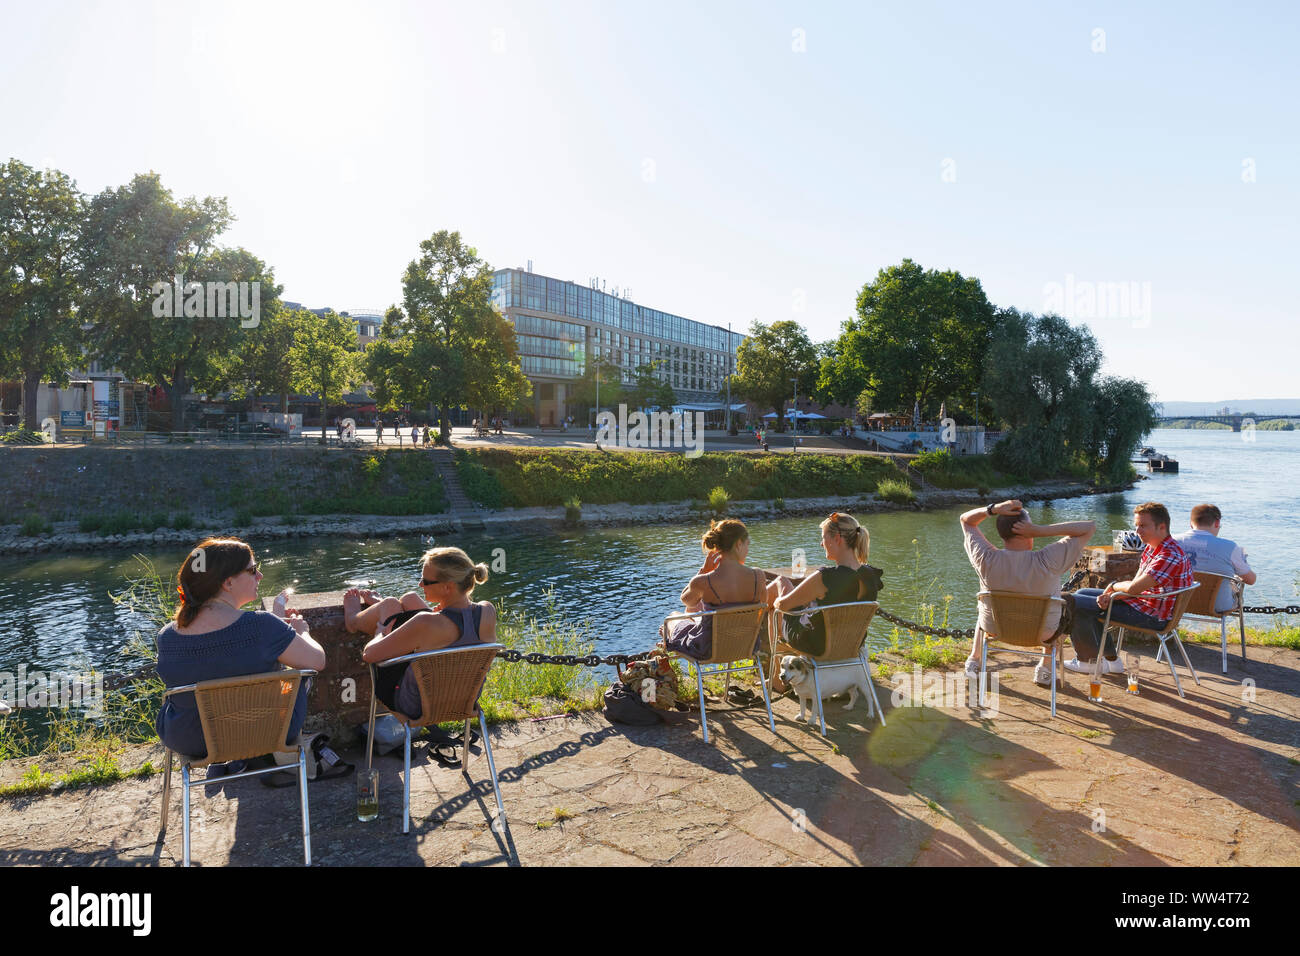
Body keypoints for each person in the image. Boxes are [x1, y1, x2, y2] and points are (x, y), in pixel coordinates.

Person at [155, 538, 325, 763]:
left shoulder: (167, 636)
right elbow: (317, 661)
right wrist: (303, 632)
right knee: (301, 678)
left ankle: (226, 766)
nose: (260, 576)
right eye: (253, 570)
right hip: (266, 733)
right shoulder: (262, 626)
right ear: (228, 583)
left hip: (191, 740)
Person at [344, 547, 497, 720]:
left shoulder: (425, 623)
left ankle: (353, 619)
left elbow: (369, 655)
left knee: (390, 605)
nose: (420, 584)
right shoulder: (487, 611)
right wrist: (441, 612)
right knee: (410, 598)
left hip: (415, 705)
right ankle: (381, 606)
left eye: (426, 581)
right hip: (464, 701)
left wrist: (382, 629)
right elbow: (454, 629)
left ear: (448, 587)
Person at [960, 499, 1095, 686]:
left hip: (996, 629)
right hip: (1042, 634)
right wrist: (1039, 530)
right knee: (1068, 601)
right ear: (1028, 531)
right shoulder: (1049, 559)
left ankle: (974, 660)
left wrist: (993, 509)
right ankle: (1045, 668)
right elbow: (1089, 527)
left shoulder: (985, 558)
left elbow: (966, 520)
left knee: (988, 603)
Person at [1065, 501, 1192, 673]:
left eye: (1143, 526)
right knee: (1082, 593)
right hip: (1144, 603)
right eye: (1137, 526)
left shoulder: (1169, 555)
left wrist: (1113, 587)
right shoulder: (1153, 547)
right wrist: (1111, 595)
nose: (1137, 531)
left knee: (1073, 602)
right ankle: (1112, 661)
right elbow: (1136, 587)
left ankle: (1088, 662)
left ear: (1161, 527)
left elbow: (1133, 588)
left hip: (1152, 616)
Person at [767, 512, 884, 691]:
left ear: (837, 538)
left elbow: (783, 606)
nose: (821, 544)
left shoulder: (825, 577)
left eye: (823, 538)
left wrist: (777, 603)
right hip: (852, 645)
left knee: (778, 593)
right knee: (784, 587)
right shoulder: (871, 575)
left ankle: (777, 678)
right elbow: (844, 596)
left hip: (818, 645)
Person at [661, 519, 767, 661]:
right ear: (738, 544)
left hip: (708, 650)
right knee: (694, 613)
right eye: (747, 544)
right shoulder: (758, 576)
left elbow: (686, 600)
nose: (748, 550)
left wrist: (704, 570)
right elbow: (762, 610)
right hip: (746, 646)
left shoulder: (704, 581)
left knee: (674, 616)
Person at [1174, 504, 1257, 613]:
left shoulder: (1172, 541)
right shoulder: (1230, 547)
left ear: (1191, 523)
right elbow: (1251, 580)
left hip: (1177, 603)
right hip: (1218, 606)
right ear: (1217, 523)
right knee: (1233, 584)